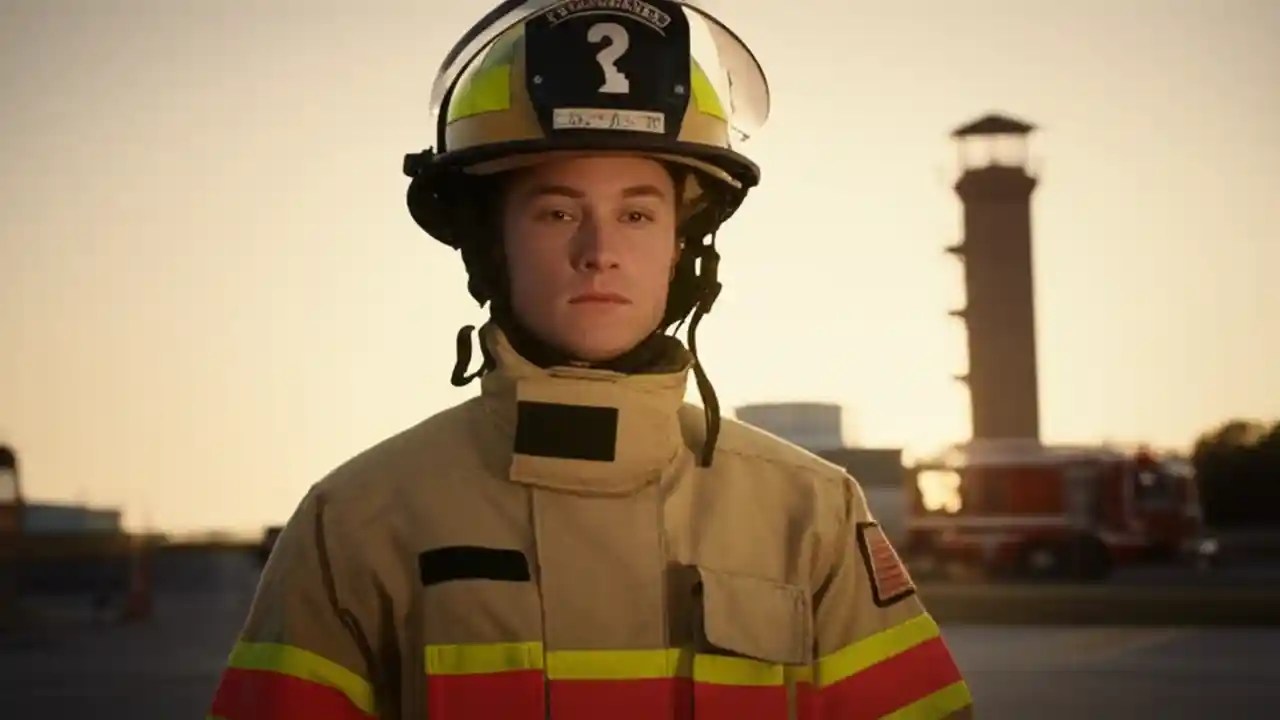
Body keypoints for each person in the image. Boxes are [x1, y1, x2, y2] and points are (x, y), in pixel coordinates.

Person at [207, 1, 974, 718]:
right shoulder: (357, 522)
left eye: (637, 213)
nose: (599, 252)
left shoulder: (810, 513)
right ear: (491, 242)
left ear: (681, 245)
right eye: (558, 211)